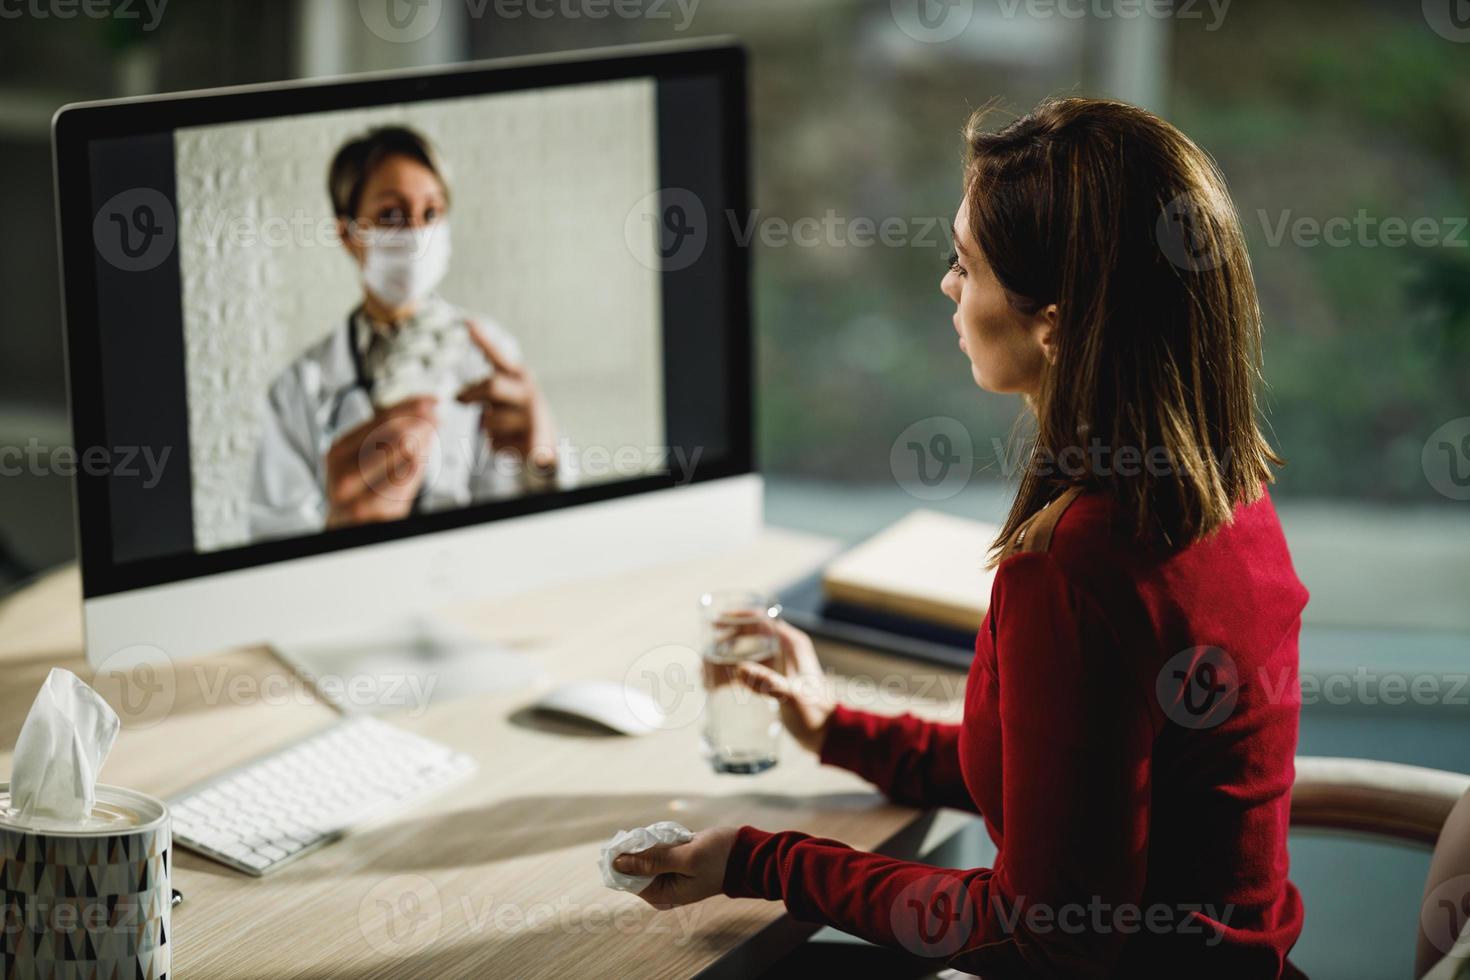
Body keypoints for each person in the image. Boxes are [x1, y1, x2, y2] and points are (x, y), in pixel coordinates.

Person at [613, 97, 1310, 978]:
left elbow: (1040, 935)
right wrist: (839, 731)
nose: (948, 284)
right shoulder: (1228, 497)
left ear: (1052, 323)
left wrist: (760, 861)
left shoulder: (1075, 566)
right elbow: (1066, 770)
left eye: (967, 264)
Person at [249, 126, 563, 541]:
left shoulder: (490, 354)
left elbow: (530, 530)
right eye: (391, 216)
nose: (416, 234)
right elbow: (273, 549)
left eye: (431, 213)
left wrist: (542, 464)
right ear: (348, 235)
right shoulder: (298, 390)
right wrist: (339, 530)